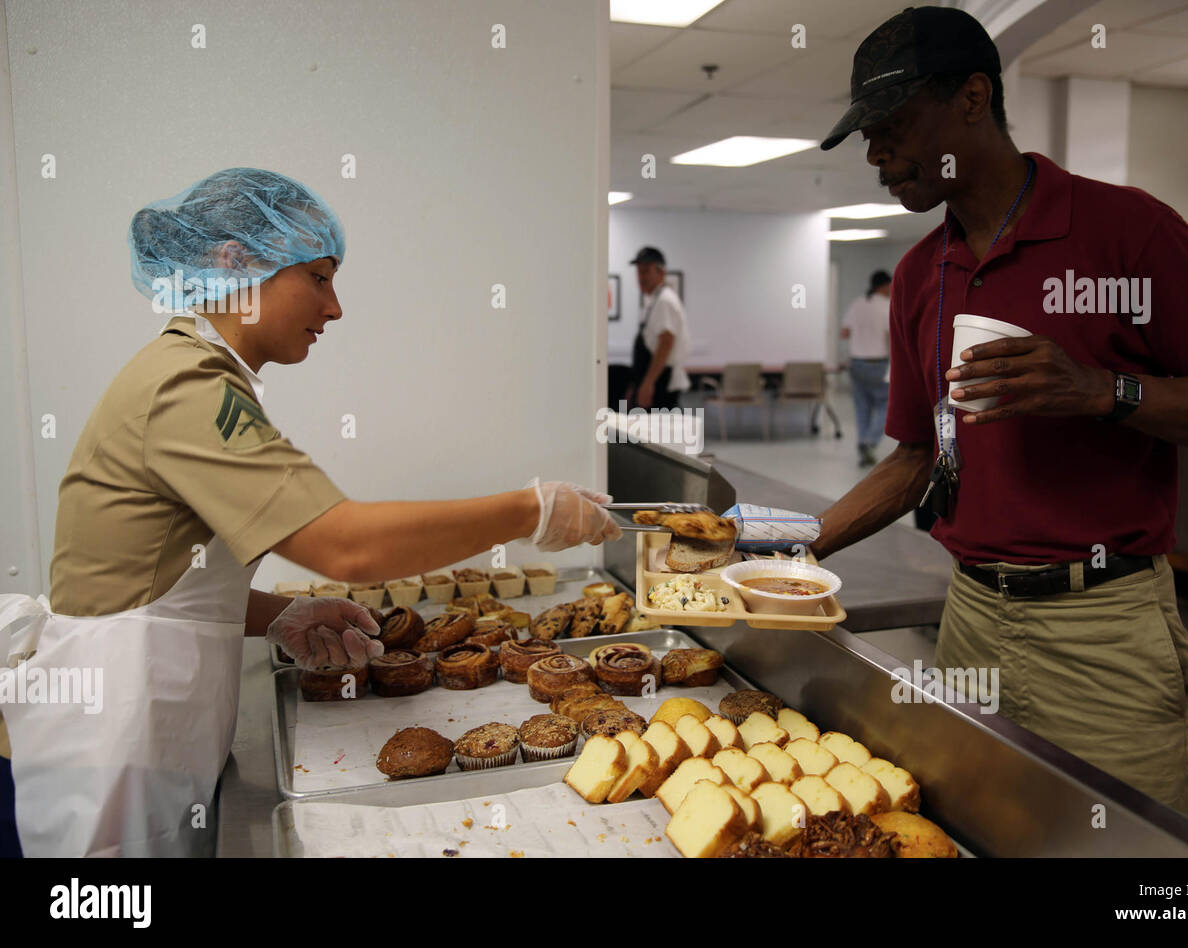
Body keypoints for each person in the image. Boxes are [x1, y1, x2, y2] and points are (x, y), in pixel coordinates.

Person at [0, 168, 621, 858]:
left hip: (150, 720)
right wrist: (528, 510)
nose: (335, 308)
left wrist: (280, 616)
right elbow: (343, 547)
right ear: (237, 262)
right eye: (320, 277)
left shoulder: (198, 373)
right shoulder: (186, 384)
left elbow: (150, 586)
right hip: (115, 740)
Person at [810, 7, 1188, 819]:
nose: (876, 154)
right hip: (967, 619)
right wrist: (775, 559)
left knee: (1127, 853)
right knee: (985, 830)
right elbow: (917, 456)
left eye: (893, 125)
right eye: (866, 136)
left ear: (971, 99)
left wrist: (1104, 391)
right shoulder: (923, 272)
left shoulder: (1128, 232)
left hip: (1106, 628)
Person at [626, 246, 690, 410]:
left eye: (646, 271)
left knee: (657, 433)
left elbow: (666, 342)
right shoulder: (655, 300)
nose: (641, 277)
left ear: (661, 272)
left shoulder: (664, 301)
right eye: (639, 272)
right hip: (656, 381)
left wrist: (648, 383)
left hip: (662, 384)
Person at [841, 270, 892, 465]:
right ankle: (870, 441)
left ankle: (862, 441)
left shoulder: (857, 303)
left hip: (856, 363)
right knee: (884, 404)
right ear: (884, 286)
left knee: (862, 407)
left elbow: (844, 333)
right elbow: (890, 337)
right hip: (877, 363)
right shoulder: (887, 306)